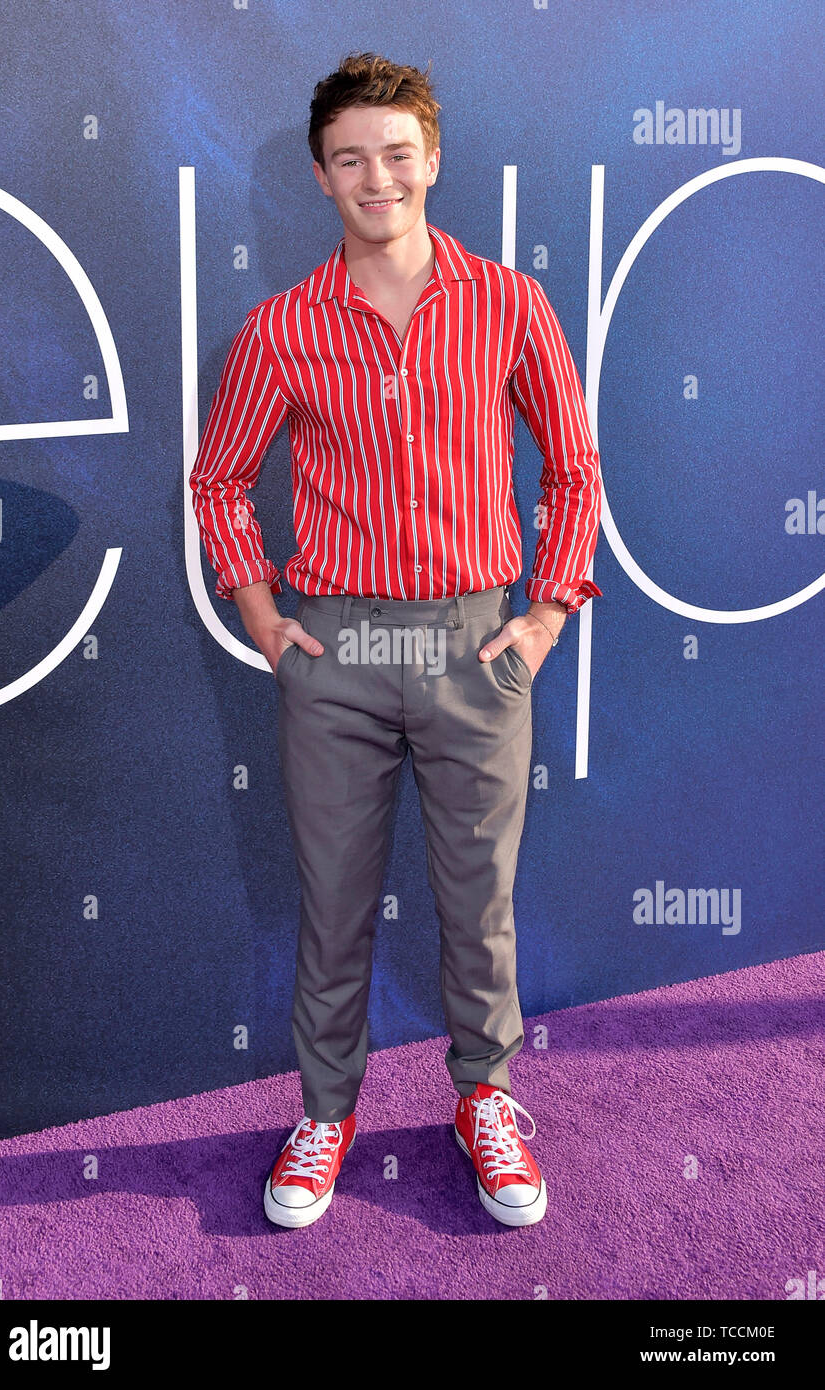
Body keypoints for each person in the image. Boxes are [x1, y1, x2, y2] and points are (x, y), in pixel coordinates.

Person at [189, 51, 603, 1231]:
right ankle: (325, 1109)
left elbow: (572, 469)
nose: (378, 176)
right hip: (336, 658)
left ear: (432, 158)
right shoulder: (280, 328)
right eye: (350, 158)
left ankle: (485, 1097)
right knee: (331, 905)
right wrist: (264, 616)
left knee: (478, 907)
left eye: (397, 153)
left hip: (479, 646)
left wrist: (543, 614)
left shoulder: (509, 304)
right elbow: (219, 481)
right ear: (321, 177)